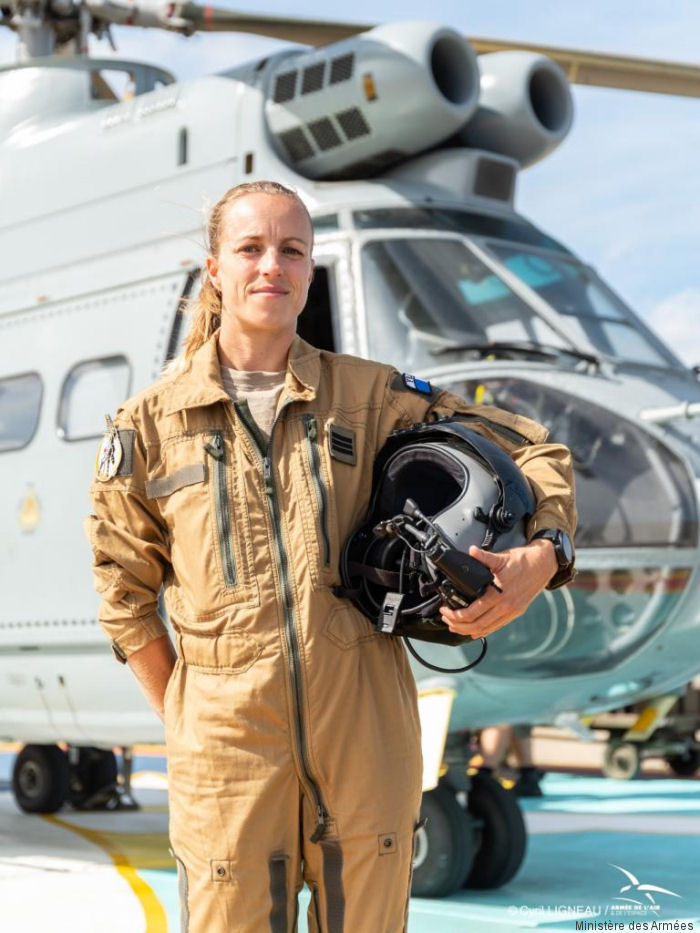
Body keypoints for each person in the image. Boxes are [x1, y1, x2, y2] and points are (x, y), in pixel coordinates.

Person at [85, 180, 576, 932]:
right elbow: (123, 591)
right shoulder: (150, 426)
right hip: (228, 761)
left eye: (291, 250)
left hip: (367, 739)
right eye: (249, 248)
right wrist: (188, 711)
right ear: (214, 268)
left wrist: (543, 557)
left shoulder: (370, 398)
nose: (270, 267)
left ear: (310, 270)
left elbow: (535, 448)